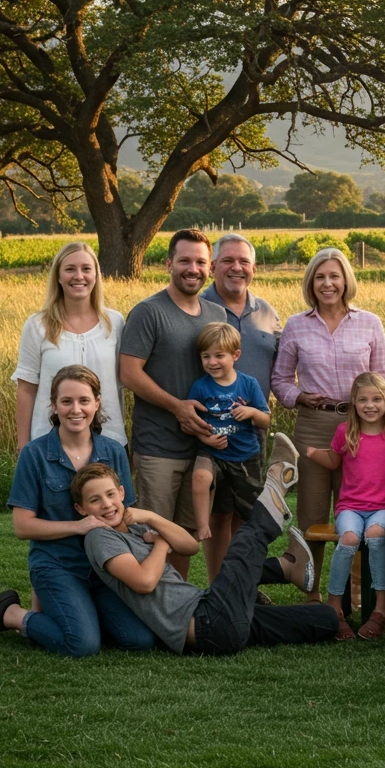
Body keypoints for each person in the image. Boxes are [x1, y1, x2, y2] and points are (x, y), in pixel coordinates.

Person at [80, 434, 338, 655]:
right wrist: (160, 543)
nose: (106, 504)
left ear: (122, 493)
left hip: (214, 614)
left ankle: (288, 568)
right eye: (95, 500)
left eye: (110, 494)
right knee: (238, 554)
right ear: (81, 509)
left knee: (324, 619)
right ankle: (273, 499)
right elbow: (145, 582)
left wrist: (150, 517)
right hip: (205, 625)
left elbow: (189, 547)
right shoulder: (100, 537)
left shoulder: (136, 525)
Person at [0, 365, 156, 657]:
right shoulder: (35, 454)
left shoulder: (114, 450)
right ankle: (11, 614)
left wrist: (150, 534)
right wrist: (78, 527)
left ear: (97, 403)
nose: (75, 410)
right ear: (54, 405)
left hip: (105, 567)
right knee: (82, 645)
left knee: (139, 640)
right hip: (58, 564)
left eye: (84, 401)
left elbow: (125, 512)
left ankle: (77, 612)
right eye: (66, 402)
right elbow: (23, 527)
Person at [272, 248, 385, 603]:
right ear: (311, 283)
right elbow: (280, 379)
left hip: (362, 426)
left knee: (356, 508)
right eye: (320, 277)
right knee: (312, 513)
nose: (328, 283)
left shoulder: (369, 322)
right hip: (313, 425)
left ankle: (353, 594)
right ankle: (312, 594)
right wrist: (298, 397)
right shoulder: (296, 325)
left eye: (334, 276)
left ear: (346, 281)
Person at [120, 228, 227, 579]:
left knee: (185, 538)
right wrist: (177, 407)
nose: (192, 268)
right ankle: (150, 610)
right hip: (158, 448)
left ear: (209, 268)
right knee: (153, 535)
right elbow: (130, 373)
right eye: (184, 260)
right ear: (168, 263)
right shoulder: (148, 312)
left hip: (202, 450)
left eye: (200, 262)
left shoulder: (217, 315)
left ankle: (176, 604)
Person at [199, 234, 283, 582]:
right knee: (219, 515)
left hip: (253, 431)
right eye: (228, 261)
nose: (236, 268)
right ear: (214, 266)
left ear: (254, 267)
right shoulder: (199, 307)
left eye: (243, 261)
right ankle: (221, 587)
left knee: (246, 514)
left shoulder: (266, 312)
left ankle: (243, 585)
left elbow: (281, 367)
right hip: (214, 430)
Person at [305, 373, 385, 642]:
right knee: (349, 538)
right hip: (350, 506)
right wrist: (312, 453)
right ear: (353, 402)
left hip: (384, 507)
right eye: (363, 400)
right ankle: (334, 606)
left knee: (375, 536)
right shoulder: (345, 432)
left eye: (376, 399)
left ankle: (381, 608)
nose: (369, 405)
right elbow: (333, 460)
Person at [13, 242, 126, 450]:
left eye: (86, 269)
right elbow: (26, 389)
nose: (79, 276)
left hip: (109, 441)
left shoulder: (115, 323)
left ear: (96, 275)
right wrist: (23, 445)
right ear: (58, 276)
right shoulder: (38, 325)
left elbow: (126, 380)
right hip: (49, 442)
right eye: (70, 269)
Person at [187, 322, 271, 570]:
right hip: (212, 451)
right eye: (206, 356)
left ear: (235, 355)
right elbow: (191, 422)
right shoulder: (200, 387)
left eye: (219, 355)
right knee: (201, 478)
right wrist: (204, 438)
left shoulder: (248, 384)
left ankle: (242, 564)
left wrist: (252, 412)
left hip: (245, 455)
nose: (212, 362)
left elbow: (266, 420)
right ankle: (202, 527)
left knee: (246, 515)